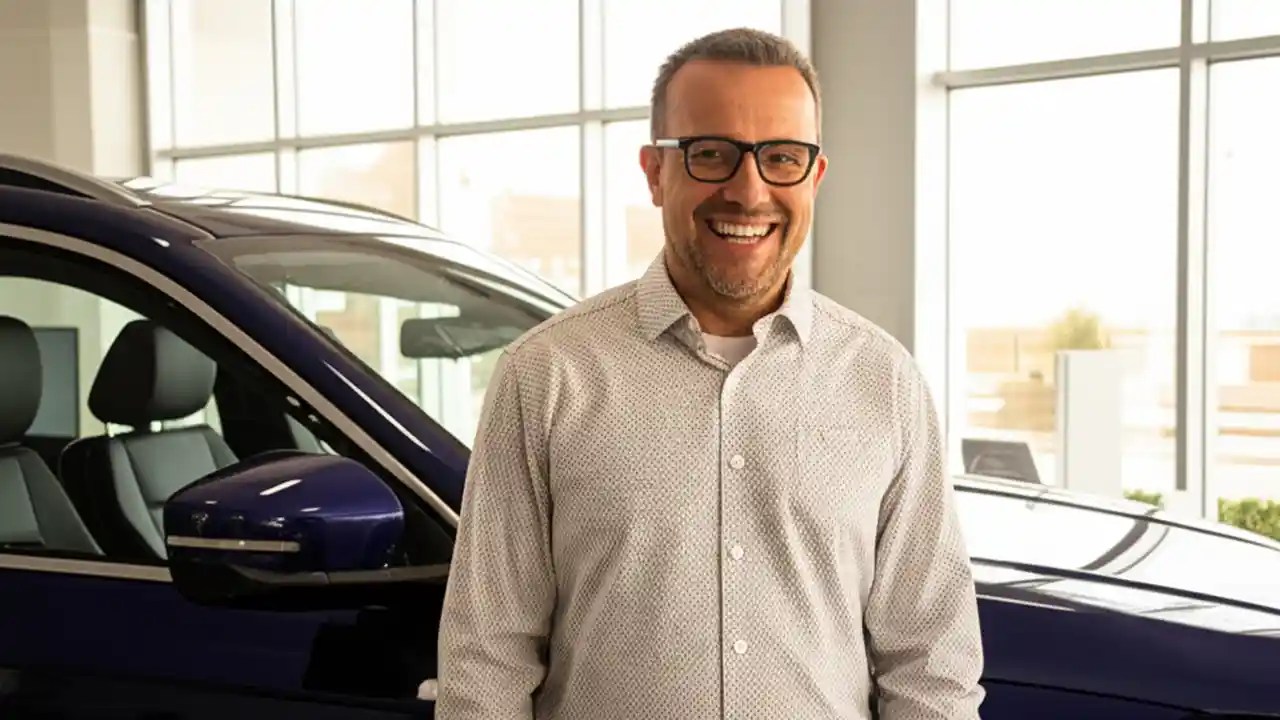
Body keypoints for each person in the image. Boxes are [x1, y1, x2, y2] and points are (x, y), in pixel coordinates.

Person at [435, 27, 986, 720]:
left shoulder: (884, 379)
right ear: (655, 171)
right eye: (711, 154)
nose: (748, 192)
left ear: (814, 177)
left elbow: (931, 660)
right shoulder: (546, 375)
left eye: (781, 157)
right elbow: (487, 661)